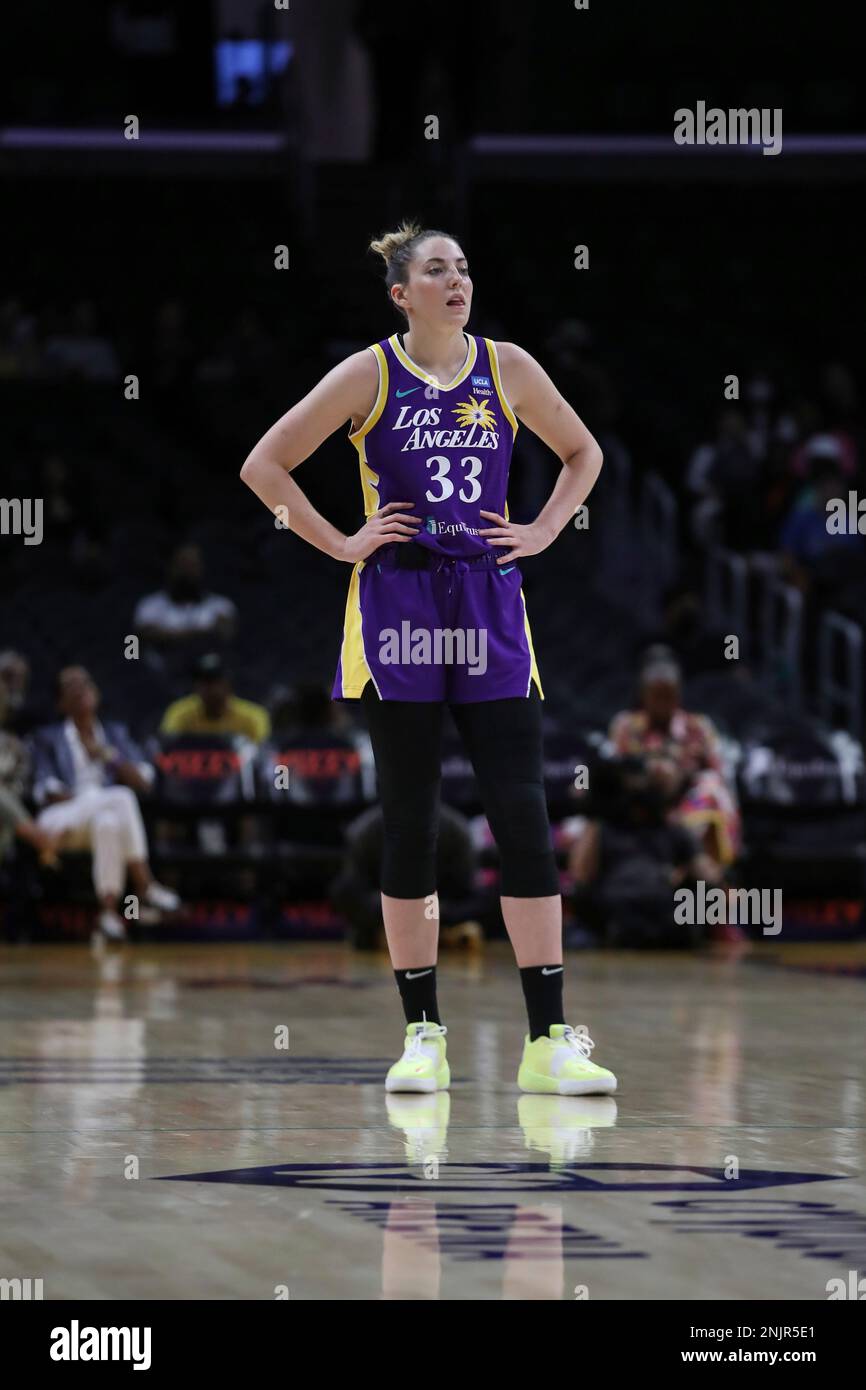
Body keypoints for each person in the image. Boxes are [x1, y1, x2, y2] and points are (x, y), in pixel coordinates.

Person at [241, 220, 615, 1097]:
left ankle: (549, 1041)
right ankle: (422, 1035)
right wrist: (340, 543)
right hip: (397, 603)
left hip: (489, 600)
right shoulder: (368, 373)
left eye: (465, 268)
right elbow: (265, 464)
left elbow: (583, 452)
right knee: (410, 819)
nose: (458, 281)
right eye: (437, 270)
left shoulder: (508, 366)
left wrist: (545, 528)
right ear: (401, 294)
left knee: (520, 811)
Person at [30, 666, 180, 941]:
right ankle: (145, 885)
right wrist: (91, 799)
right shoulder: (47, 738)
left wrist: (106, 756)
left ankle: (108, 915)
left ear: (96, 693)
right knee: (120, 798)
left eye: (84, 684)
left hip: (99, 818)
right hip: (58, 820)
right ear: (61, 703)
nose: (79, 690)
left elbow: (144, 780)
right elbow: (46, 791)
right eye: (70, 686)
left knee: (108, 824)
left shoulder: (115, 735)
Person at [609, 658, 741, 871]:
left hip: (685, 803)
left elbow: (719, 769)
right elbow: (615, 768)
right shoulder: (625, 725)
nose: (663, 702)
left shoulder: (698, 726)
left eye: (668, 695)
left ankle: (695, 870)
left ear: (679, 694)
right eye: (656, 695)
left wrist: (684, 773)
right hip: (638, 800)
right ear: (643, 694)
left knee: (712, 785)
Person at [160, 652, 271, 743]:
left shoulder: (252, 716)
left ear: (227, 684)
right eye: (202, 682)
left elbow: (263, 753)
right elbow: (166, 746)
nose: (208, 688)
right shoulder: (180, 713)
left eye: (213, 681)